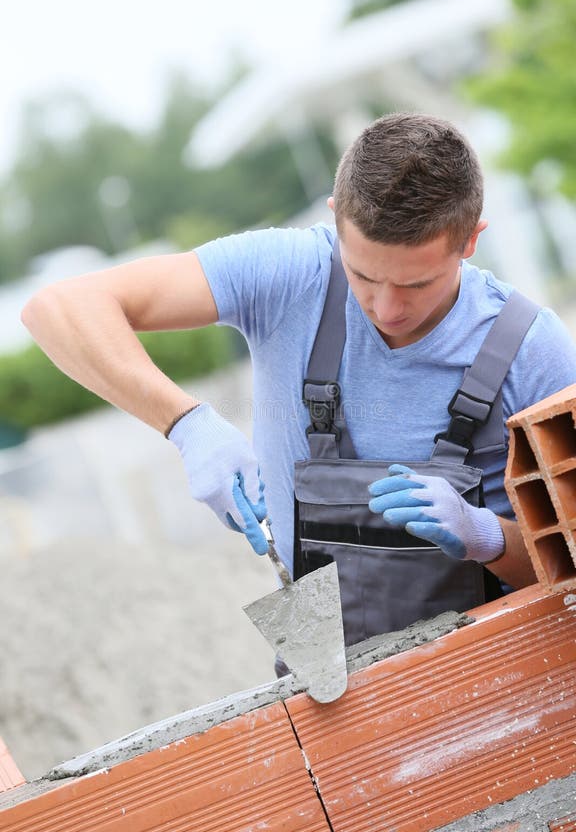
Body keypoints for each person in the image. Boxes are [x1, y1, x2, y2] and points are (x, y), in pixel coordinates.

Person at [21, 112, 576, 647]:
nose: (385, 308)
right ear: (336, 217)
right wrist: (187, 425)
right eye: (362, 274)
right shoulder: (290, 276)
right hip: (325, 683)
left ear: (471, 240)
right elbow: (58, 309)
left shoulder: (531, 349)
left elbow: (569, 568)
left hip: (499, 671)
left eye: (417, 284)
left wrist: (486, 537)